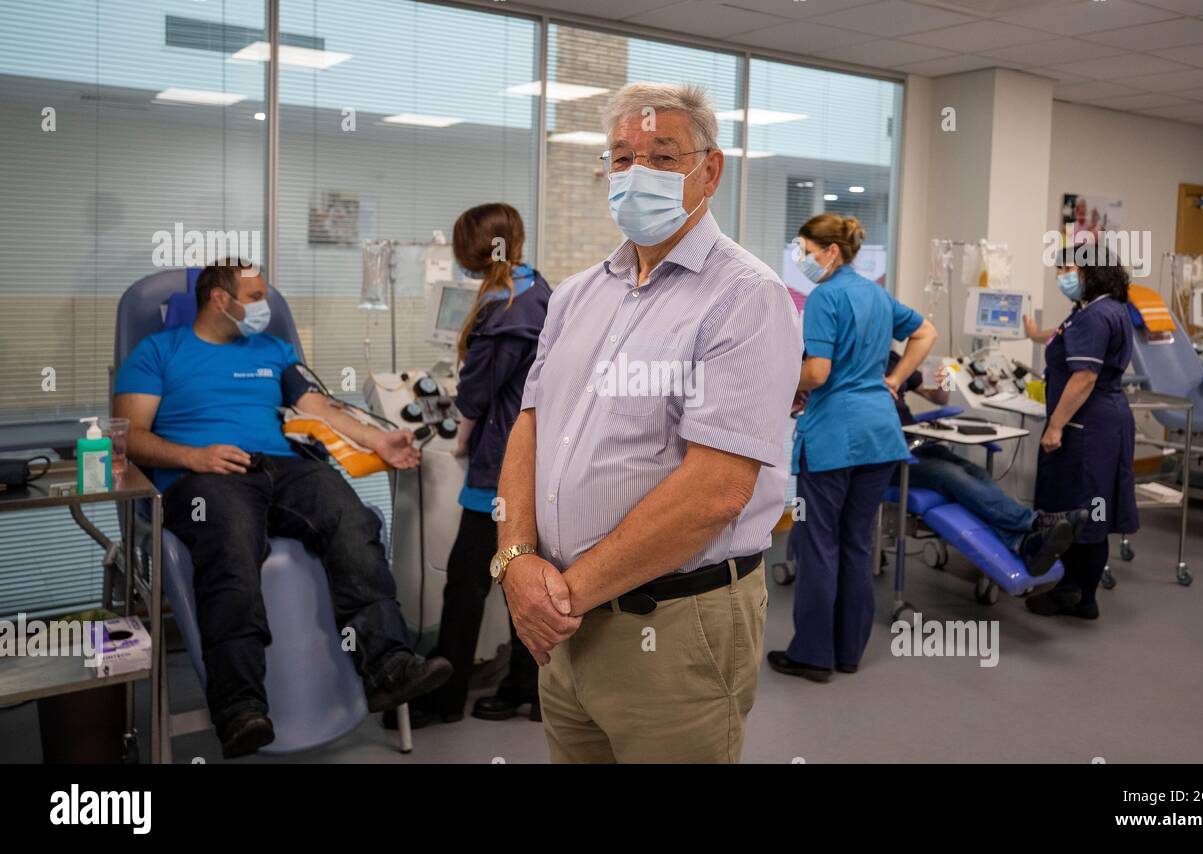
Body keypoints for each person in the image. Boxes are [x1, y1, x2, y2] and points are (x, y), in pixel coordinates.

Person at [493, 82, 801, 763]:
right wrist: (515, 562)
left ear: (709, 170)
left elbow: (716, 491)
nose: (637, 175)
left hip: (672, 624)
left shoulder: (746, 299)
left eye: (663, 156)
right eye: (623, 156)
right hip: (565, 627)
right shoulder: (576, 296)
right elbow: (530, 429)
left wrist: (558, 598)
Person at [114, 259, 451, 758]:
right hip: (203, 475)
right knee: (230, 545)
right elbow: (131, 437)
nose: (264, 307)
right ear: (219, 300)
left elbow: (322, 409)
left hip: (281, 466)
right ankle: (240, 706)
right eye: (254, 296)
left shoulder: (274, 351)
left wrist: (381, 440)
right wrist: (193, 456)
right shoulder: (159, 351)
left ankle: (387, 666)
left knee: (352, 519)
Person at [383, 203, 551, 730]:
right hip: (544, 455)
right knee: (533, 572)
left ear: (467, 253)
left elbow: (475, 399)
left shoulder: (499, 311)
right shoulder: (540, 289)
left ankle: (444, 699)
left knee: (466, 582)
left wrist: (460, 440)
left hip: (504, 463)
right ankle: (530, 688)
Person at [767, 213, 937, 684]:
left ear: (831, 252)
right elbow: (926, 333)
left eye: (804, 250)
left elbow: (818, 372)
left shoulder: (825, 296)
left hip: (833, 438)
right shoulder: (876, 294)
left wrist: (779, 379)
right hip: (880, 436)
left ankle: (814, 656)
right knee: (857, 544)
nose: (801, 260)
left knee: (819, 545)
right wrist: (895, 380)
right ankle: (848, 652)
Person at [887, 351, 1084, 574]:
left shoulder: (893, 358)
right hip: (889, 455)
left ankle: (1022, 541)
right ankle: (1036, 523)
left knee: (975, 471)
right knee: (950, 475)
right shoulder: (859, 363)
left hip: (917, 443)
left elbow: (940, 398)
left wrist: (946, 380)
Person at [1022, 255, 1139, 619]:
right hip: (1104, 421)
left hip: (1086, 424)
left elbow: (1084, 377)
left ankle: (1076, 593)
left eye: (1069, 270)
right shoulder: (1104, 309)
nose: (1062, 277)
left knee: (1082, 508)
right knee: (1092, 506)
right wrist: (1033, 334)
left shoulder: (1094, 315)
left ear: (1092, 273)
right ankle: (1079, 591)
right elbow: (1062, 337)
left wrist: (1056, 425)